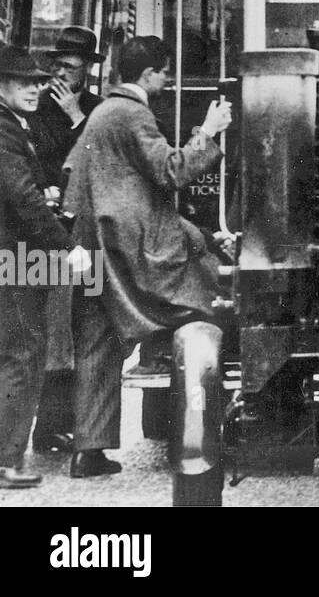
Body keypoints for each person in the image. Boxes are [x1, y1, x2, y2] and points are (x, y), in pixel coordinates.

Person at [63, 36, 232, 479]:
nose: (168, 79)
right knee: (203, 294)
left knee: (97, 347)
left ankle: (89, 449)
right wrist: (209, 132)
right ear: (149, 74)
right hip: (129, 250)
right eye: (164, 71)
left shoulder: (101, 114)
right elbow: (171, 171)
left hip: (94, 246)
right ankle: (193, 421)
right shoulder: (132, 113)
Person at [0, 45, 88, 489]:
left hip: (13, 255)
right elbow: (20, 197)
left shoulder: (16, 125)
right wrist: (64, 245)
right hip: (15, 259)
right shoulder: (4, 128)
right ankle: (7, 460)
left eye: (38, 81)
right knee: (23, 353)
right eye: (23, 82)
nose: (35, 88)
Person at [27, 26, 103, 455]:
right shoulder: (34, 109)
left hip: (84, 235)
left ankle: (73, 423)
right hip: (47, 234)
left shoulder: (95, 110)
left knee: (82, 325)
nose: (60, 74)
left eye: (69, 68)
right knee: (53, 329)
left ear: (86, 72)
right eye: (56, 65)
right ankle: (47, 427)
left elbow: (95, 162)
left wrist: (77, 117)